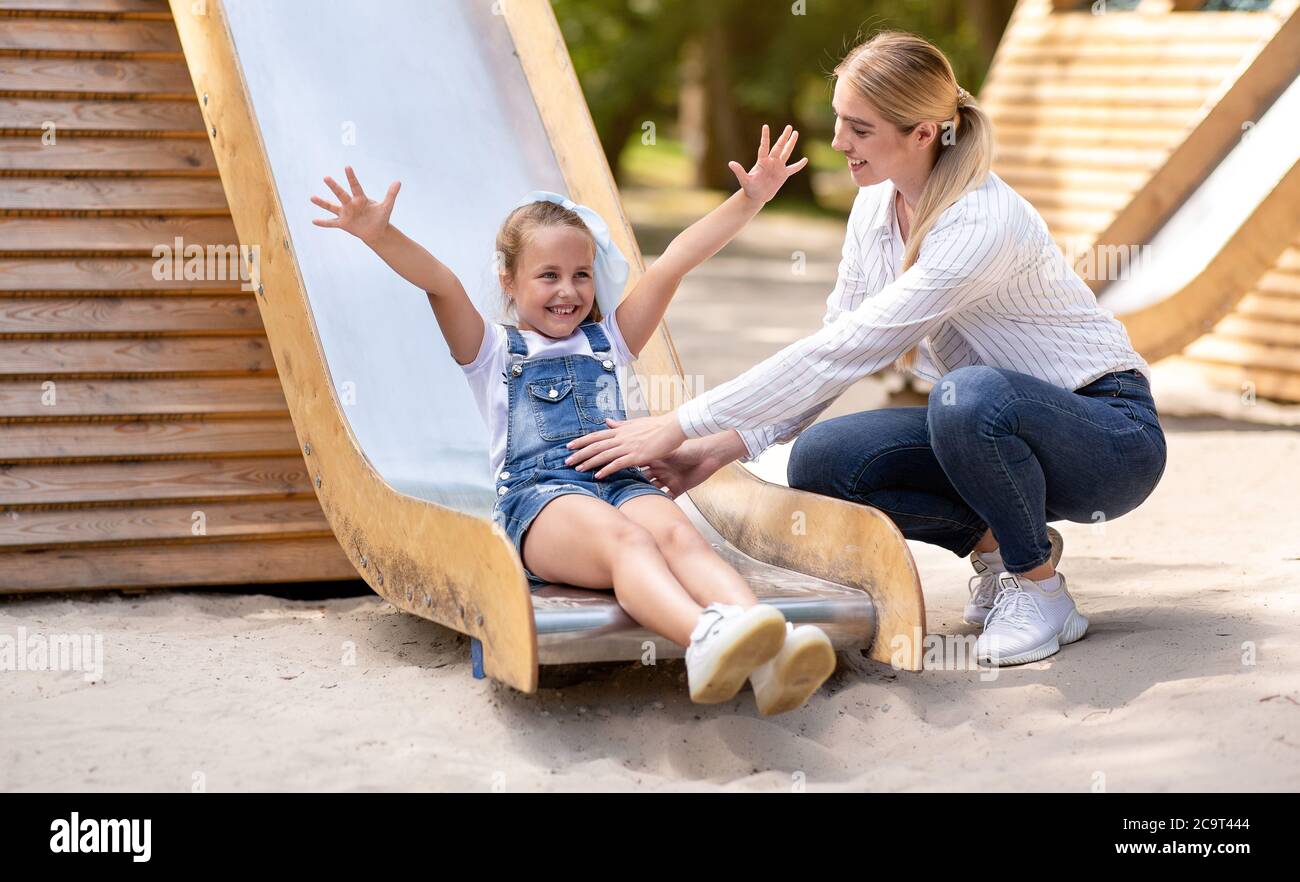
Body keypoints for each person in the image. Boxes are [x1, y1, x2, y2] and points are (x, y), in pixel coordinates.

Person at [563, 31, 1168, 668]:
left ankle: (1041, 590)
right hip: (1002, 433)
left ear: (923, 133)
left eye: (860, 128)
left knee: (969, 395)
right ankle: (999, 543)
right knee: (823, 462)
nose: (839, 143)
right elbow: (832, 350)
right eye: (838, 122)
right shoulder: (875, 206)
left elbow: (847, 350)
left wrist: (678, 423)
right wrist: (717, 449)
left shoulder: (980, 221)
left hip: (1108, 440)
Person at [309, 126, 838, 713]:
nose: (568, 291)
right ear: (509, 282)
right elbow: (441, 284)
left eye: (581, 275)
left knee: (677, 535)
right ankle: (703, 638)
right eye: (548, 276)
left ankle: (766, 643)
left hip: (620, 481)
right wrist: (382, 235)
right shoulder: (491, 350)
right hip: (542, 502)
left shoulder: (608, 339)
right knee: (630, 542)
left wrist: (751, 197)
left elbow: (675, 263)